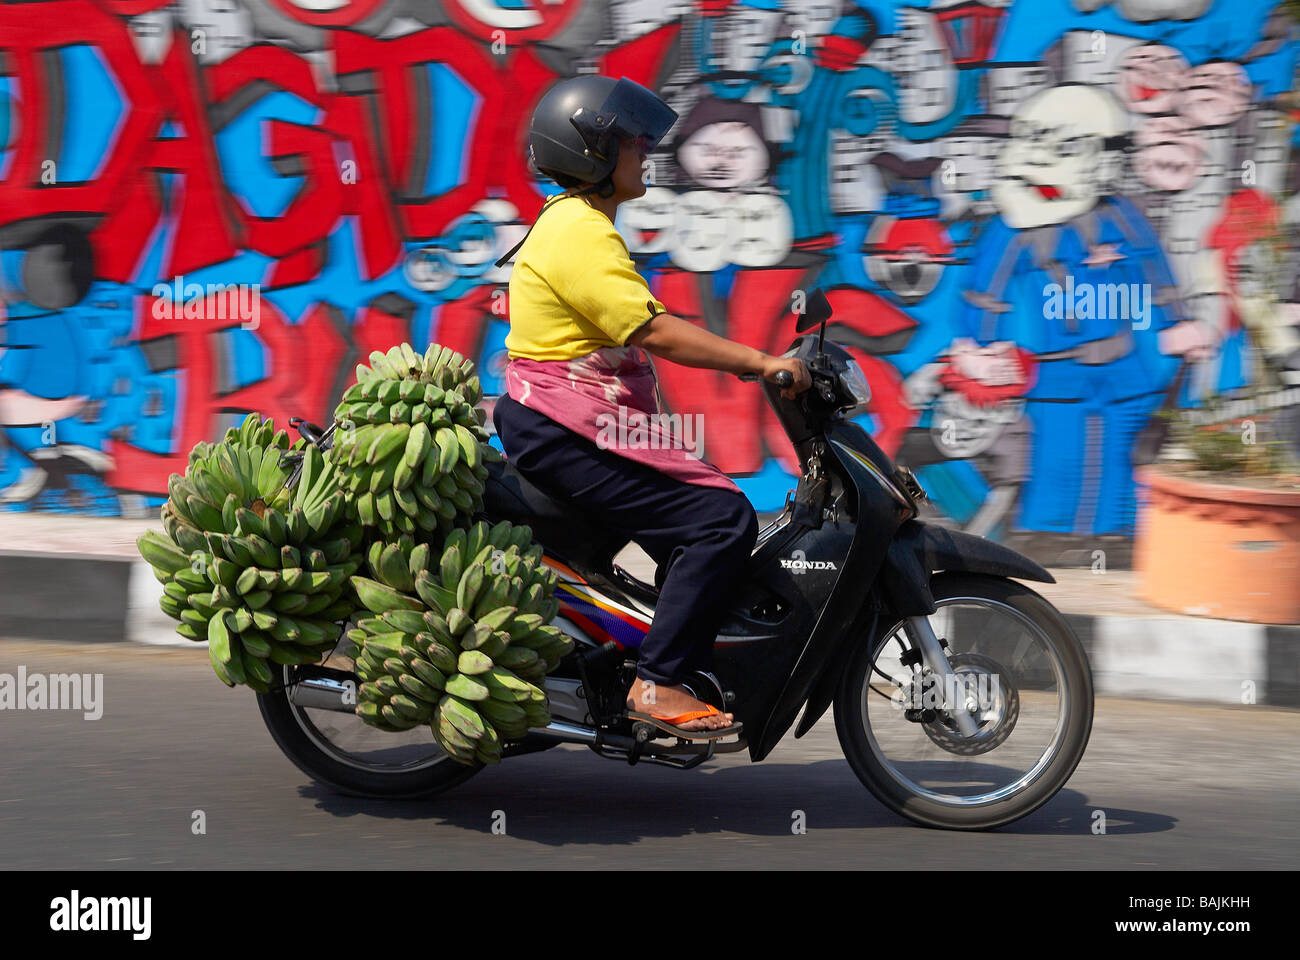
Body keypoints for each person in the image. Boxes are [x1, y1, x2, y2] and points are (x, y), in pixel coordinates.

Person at [492, 76, 811, 740]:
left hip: (561, 420)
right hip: (560, 428)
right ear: (592, 156)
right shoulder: (577, 230)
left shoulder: (575, 225)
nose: (644, 154)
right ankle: (657, 682)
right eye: (631, 144)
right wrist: (760, 363)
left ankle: (666, 657)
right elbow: (654, 330)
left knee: (686, 520)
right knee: (719, 518)